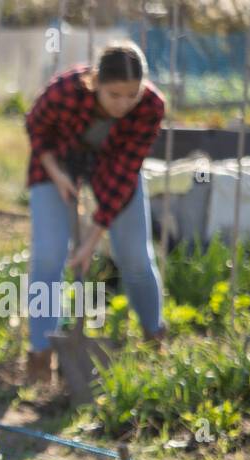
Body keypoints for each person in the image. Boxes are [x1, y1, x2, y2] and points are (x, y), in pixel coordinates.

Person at [23, 40, 167, 385]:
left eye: (131, 95)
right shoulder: (64, 91)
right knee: (48, 255)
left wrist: (91, 240)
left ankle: (154, 340)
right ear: (95, 82)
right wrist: (57, 174)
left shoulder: (150, 107)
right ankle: (41, 356)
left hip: (112, 173)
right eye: (114, 95)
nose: (123, 104)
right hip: (57, 161)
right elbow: (36, 128)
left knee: (134, 256)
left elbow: (124, 173)